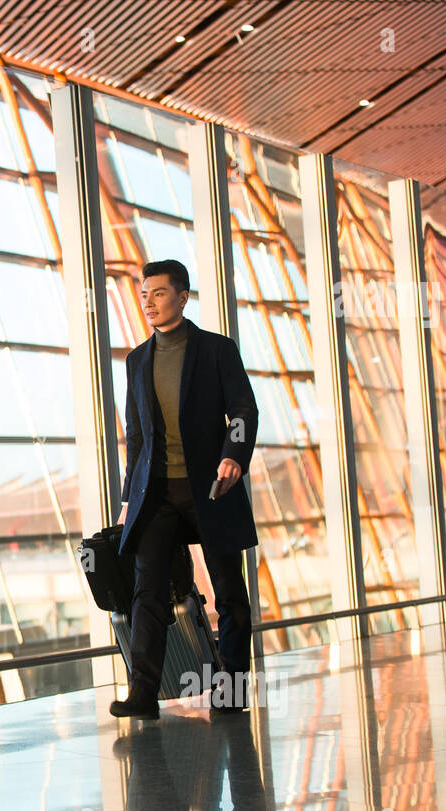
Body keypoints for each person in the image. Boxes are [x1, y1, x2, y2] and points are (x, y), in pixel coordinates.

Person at [112, 259, 259, 720]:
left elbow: (243, 409)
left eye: (157, 293)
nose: (148, 302)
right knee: (147, 592)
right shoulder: (137, 360)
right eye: (144, 294)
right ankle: (143, 693)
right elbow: (136, 435)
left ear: (182, 296)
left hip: (212, 489)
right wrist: (126, 501)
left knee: (228, 593)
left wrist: (233, 454)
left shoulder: (216, 349)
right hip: (156, 495)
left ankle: (232, 689)